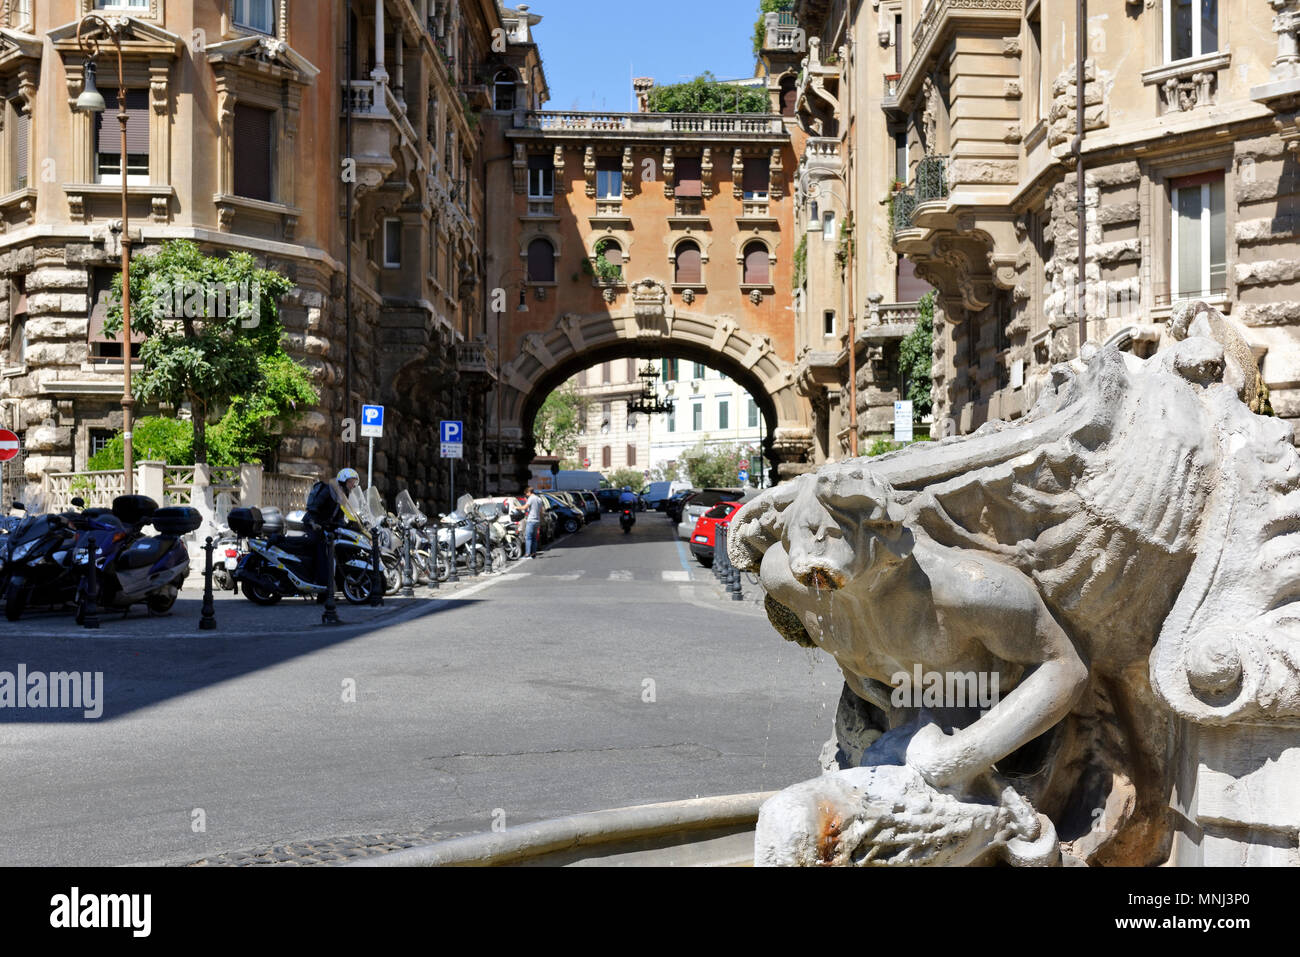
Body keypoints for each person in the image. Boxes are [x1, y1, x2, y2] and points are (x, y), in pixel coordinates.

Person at [522, 485, 545, 559]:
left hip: (531, 520)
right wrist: (541, 519)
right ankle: (533, 553)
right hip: (537, 520)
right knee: (534, 538)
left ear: (529, 492)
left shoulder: (531, 498)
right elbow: (541, 511)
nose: (526, 495)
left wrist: (516, 507)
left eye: (526, 493)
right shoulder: (539, 499)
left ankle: (527, 553)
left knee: (528, 537)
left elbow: (525, 507)